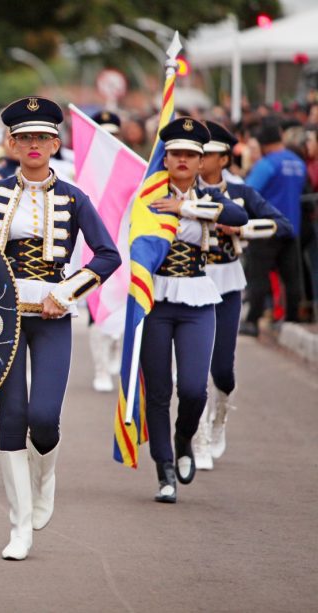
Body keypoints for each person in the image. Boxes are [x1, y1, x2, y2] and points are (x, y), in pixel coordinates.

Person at [0, 97, 121, 560]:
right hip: (4, 319)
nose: (33, 144)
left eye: (42, 137)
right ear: (11, 144)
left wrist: (67, 293)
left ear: (55, 143)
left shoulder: (75, 199)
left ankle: (45, 473)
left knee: (43, 418)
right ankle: (19, 528)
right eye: (24, 137)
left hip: (53, 315)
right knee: (11, 417)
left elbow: (107, 255)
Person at [140, 118, 248, 504]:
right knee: (158, 391)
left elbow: (239, 218)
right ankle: (164, 469)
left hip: (198, 299)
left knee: (192, 388)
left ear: (202, 161)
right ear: (165, 158)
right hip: (155, 299)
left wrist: (186, 207)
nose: (183, 160)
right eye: (177, 154)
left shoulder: (210, 197)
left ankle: (184, 437)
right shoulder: (147, 193)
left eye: (191, 154)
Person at [191, 121, 292, 469]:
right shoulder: (183, 189)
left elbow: (283, 224)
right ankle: (199, 437)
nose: (198, 161)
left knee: (223, 369)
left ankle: (219, 417)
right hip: (191, 281)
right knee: (193, 369)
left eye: (207, 155)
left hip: (228, 282)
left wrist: (243, 227)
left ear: (223, 159)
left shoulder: (242, 192)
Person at [241, 119, 307, 334]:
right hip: (291, 227)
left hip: (266, 228)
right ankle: (292, 317)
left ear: (263, 144)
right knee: (291, 277)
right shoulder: (298, 162)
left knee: (258, 276)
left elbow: (249, 191)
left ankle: (252, 321)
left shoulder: (268, 163)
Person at [87, 110, 125, 393]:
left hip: (121, 246)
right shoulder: (82, 168)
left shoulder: (128, 167)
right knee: (94, 306)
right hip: (91, 247)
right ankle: (100, 369)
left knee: (120, 302)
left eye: (113, 134)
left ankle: (115, 348)